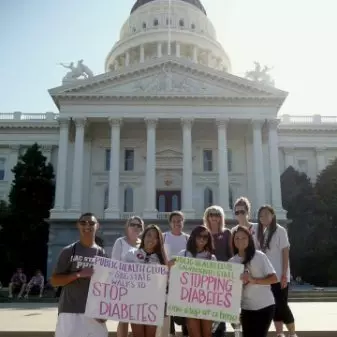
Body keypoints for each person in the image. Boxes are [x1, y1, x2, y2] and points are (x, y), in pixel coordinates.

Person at [51, 212, 108, 337]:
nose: (87, 225)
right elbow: (55, 280)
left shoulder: (101, 253)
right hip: (70, 312)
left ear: (97, 226)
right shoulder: (69, 251)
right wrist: (78, 274)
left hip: (94, 313)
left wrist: (104, 311)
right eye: (83, 222)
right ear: (78, 225)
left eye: (91, 223)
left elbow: (105, 286)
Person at [255, 205, 297, 337]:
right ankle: (280, 333)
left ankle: (292, 332)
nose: (263, 217)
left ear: (272, 215)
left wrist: (284, 274)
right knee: (274, 305)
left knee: (282, 304)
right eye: (261, 215)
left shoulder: (280, 231)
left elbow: (285, 252)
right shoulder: (262, 232)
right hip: (268, 276)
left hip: (279, 275)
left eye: (266, 214)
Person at [230, 226, 277, 337]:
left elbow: (274, 278)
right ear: (233, 241)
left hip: (264, 306)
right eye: (237, 238)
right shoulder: (231, 262)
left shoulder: (259, 256)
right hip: (246, 308)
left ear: (249, 239)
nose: (240, 240)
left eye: (243, 237)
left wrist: (253, 280)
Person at [170, 225, 216, 337]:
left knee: (207, 334)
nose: (202, 239)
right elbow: (174, 277)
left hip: (207, 303)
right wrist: (170, 266)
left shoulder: (212, 257)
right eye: (199, 236)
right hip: (189, 303)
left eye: (205, 237)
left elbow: (216, 281)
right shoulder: (183, 254)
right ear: (193, 237)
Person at [124, 224, 168, 337]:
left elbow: (166, 282)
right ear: (143, 237)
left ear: (159, 241)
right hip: (135, 303)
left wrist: (169, 268)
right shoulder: (131, 254)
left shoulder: (161, 258)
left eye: (155, 237)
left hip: (153, 304)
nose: (151, 239)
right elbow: (122, 276)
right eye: (149, 235)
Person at [111, 216, 144, 337]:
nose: (136, 227)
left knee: (138, 319)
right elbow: (114, 264)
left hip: (140, 288)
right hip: (123, 287)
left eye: (139, 225)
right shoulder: (120, 242)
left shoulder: (143, 244)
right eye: (133, 224)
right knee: (124, 319)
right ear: (127, 227)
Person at [203, 205, 232, 337]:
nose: (214, 217)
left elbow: (231, 254)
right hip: (206, 278)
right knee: (208, 309)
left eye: (217, 215)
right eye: (211, 214)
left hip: (223, 277)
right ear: (207, 217)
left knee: (221, 310)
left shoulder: (227, 233)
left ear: (221, 217)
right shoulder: (203, 234)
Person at [162, 211, 189, 337]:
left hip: (183, 282)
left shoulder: (187, 239)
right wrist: (166, 263)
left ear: (183, 222)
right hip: (166, 280)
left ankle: (185, 333)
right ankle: (171, 334)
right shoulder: (163, 237)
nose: (177, 223)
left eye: (179, 221)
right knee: (168, 311)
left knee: (184, 311)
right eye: (174, 221)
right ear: (170, 223)